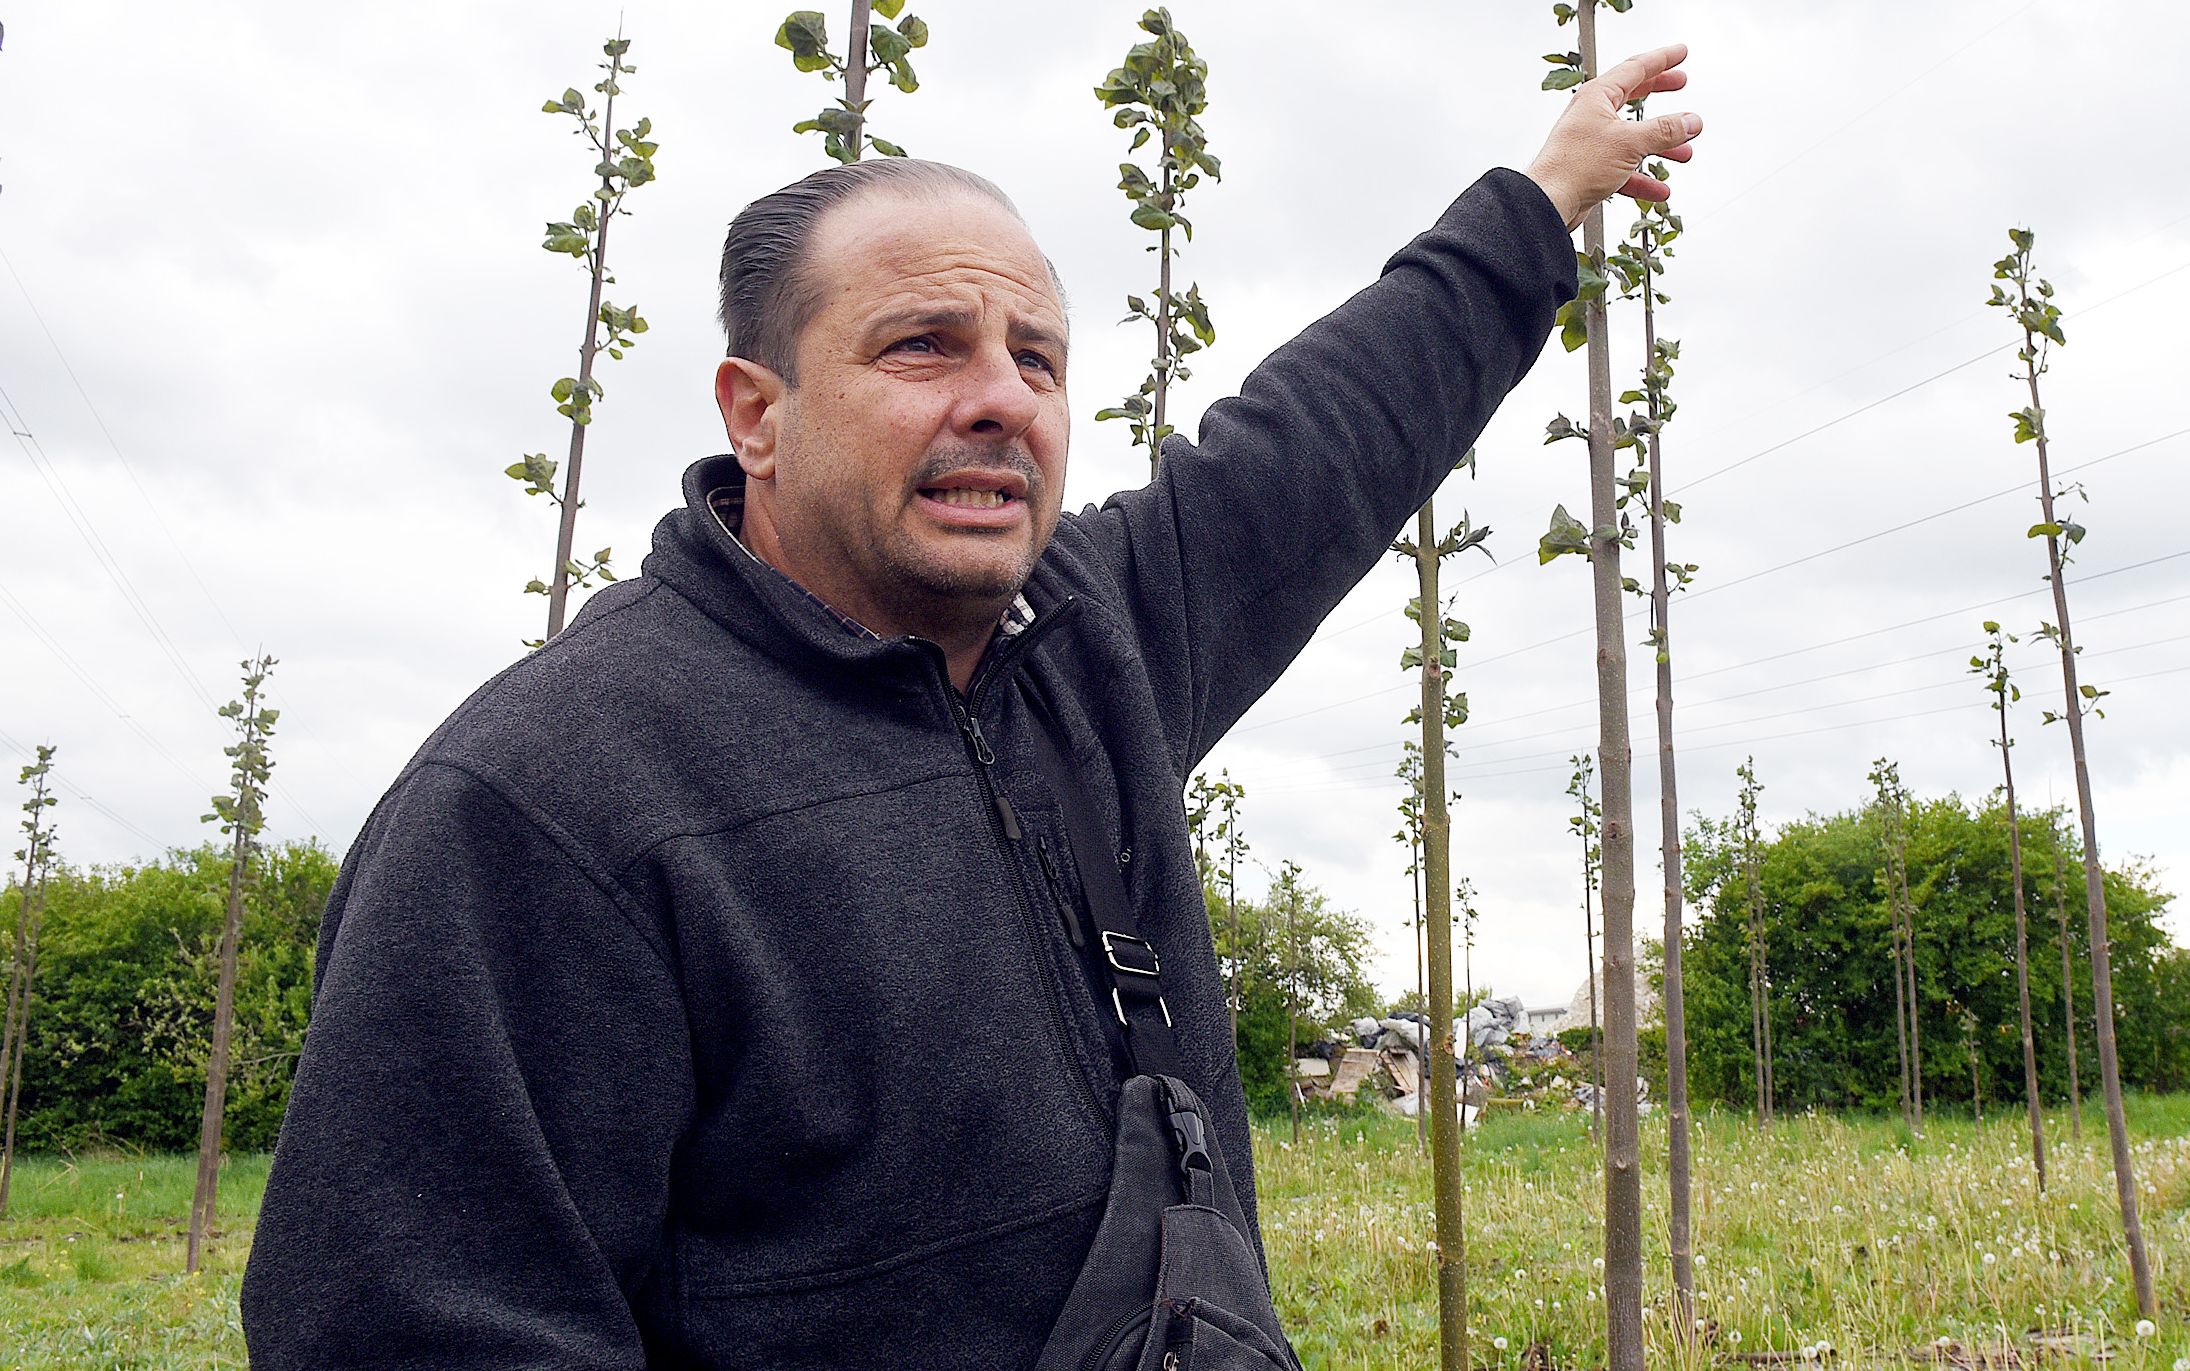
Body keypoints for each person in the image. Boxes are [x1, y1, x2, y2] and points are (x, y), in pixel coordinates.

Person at [241, 44, 1699, 1370]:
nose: (1002, 397)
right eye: (922, 346)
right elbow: (419, 1329)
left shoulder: (1092, 645)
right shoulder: (547, 804)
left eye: (1038, 358)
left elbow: (1319, 442)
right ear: (755, 411)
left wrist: (1535, 202)